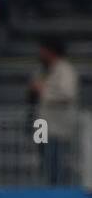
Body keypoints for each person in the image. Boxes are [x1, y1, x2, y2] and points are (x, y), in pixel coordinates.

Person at [31, 37, 79, 185]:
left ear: (51, 52)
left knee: (56, 163)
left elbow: (67, 94)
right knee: (44, 161)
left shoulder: (65, 70)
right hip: (42, 125)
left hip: (58, 128)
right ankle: (46, 188)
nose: (40, 54)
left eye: (43, 51)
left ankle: (57, 192)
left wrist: (43, 91)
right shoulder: (44, 70)